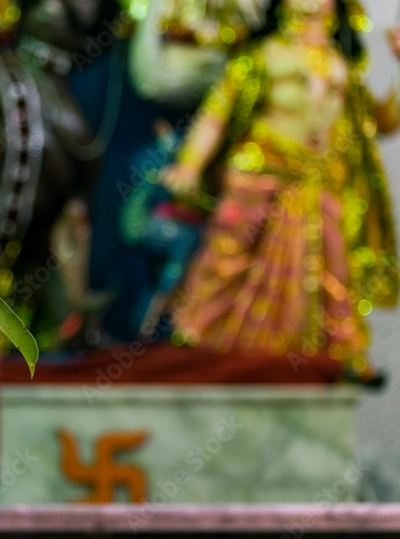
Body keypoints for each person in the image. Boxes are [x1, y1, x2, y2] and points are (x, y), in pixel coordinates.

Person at [162, 0, 400, 377]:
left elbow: (383, 122)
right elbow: (216, 115)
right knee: (228, 263)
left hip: (318, 184)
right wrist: (189, 165)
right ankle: (201, 342)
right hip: (257, 180)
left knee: (332, 270)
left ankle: (337, 354)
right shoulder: (260, 57)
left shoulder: (343, 66)